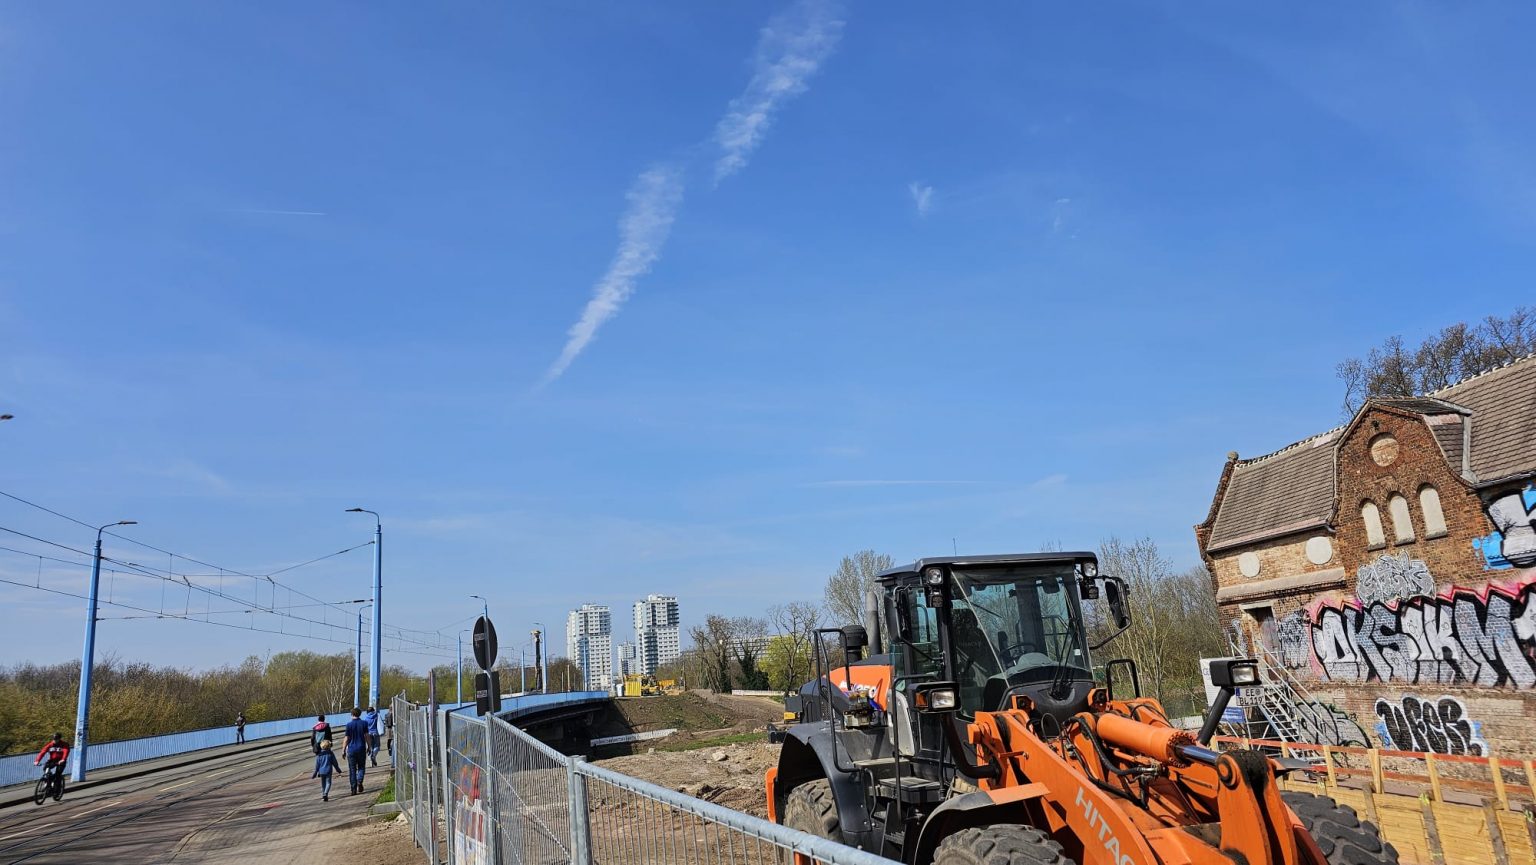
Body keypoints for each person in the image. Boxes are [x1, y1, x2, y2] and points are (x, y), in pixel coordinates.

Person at [343, 707, 370, 794]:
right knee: (361, 767)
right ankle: (359, 780)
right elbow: (367, 736)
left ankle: (353, 789)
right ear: (359, 714)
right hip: (361, 748)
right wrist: (369, 746)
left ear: (352, 714)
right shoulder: (364, 723)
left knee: (352, 769)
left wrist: (343, 749)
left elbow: (346, 738)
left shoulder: (349, 725)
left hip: (351, 750)